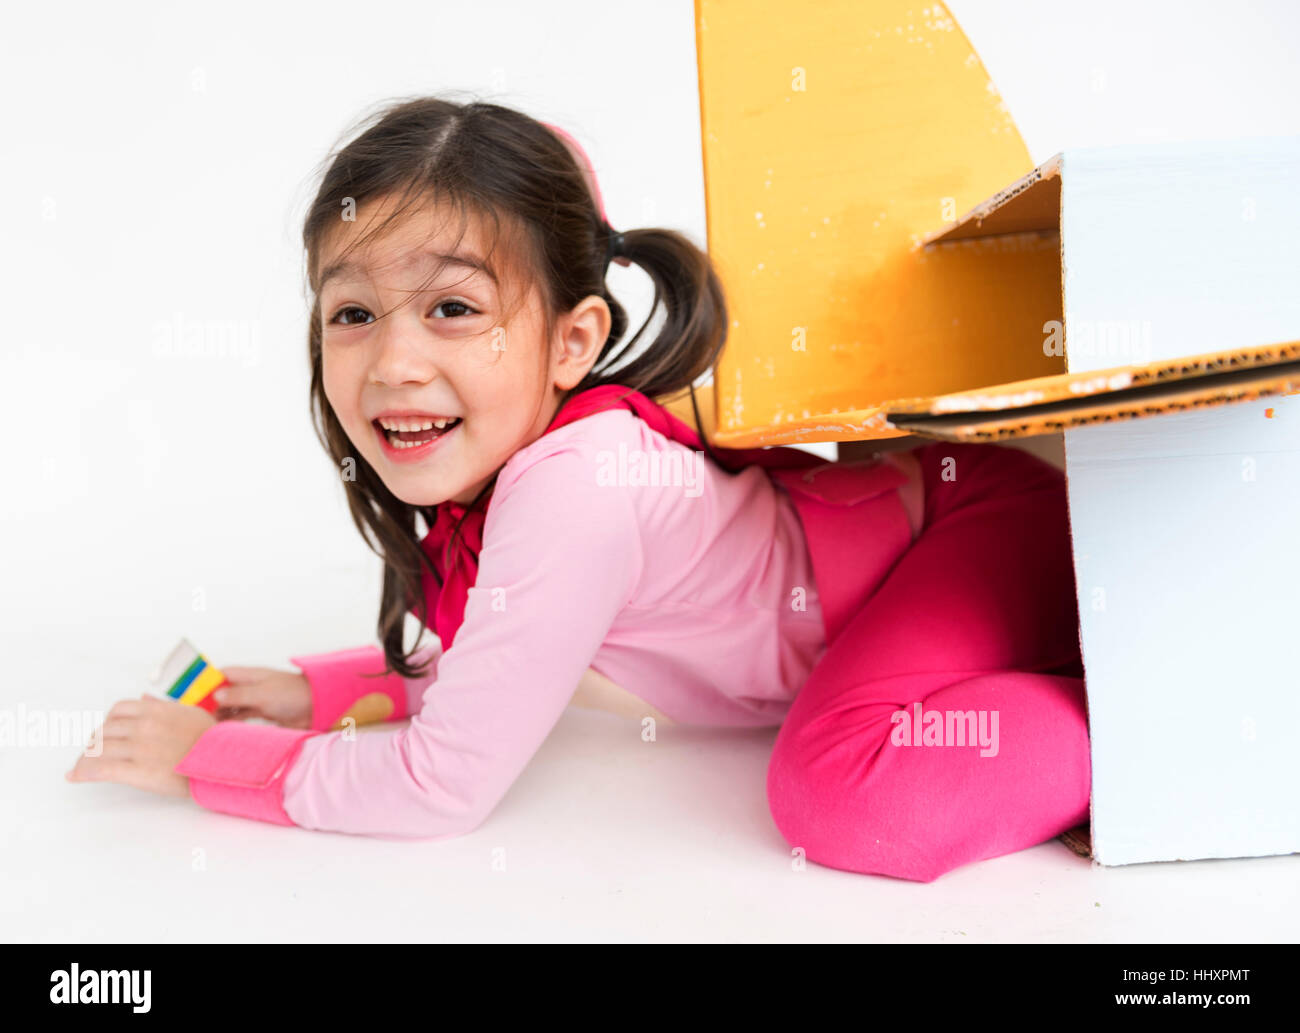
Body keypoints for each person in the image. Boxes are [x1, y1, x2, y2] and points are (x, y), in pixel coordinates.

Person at [67, 97, 1090, 882]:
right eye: (353, 314)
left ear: (572, 341)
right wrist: (314, 692)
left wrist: (215, 758)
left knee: (841, 794)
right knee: (834, 771)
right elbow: (494, 667)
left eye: (453, 307)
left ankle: (1138, 723)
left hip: (968, 534)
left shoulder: (577, 488)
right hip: (937, 559)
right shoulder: (526, 472)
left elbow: (441, 785)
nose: (394, 363)